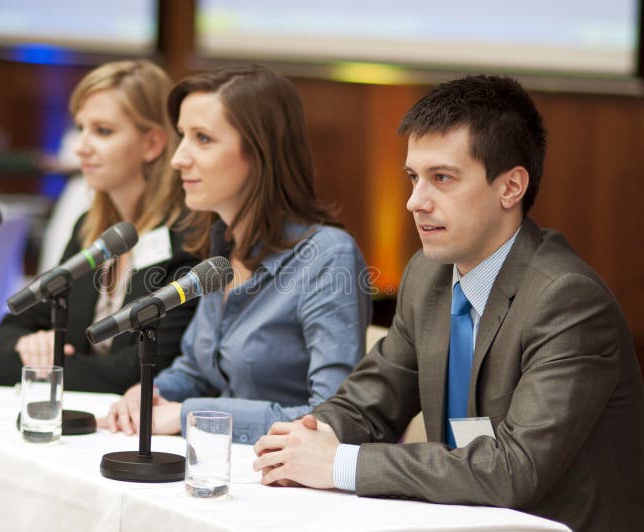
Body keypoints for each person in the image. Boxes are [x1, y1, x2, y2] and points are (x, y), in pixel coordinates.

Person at [253, 75, 644, 531]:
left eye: (442, 178)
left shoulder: (568, 300)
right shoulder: (428, 275)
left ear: (511, 187)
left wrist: (341, 465)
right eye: (414, 178)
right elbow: (368, 403)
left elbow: (513, 470)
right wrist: (308, 440)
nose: (415, 201)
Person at [98, 65, 373, 444]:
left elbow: (331, 417)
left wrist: (189, 415)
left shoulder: (327, 256)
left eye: (203, 139)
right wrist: (150, 393)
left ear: (260, 151)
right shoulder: (220, 249)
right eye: (182, 137)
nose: (178, 158)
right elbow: (195, 369)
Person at [0, 60, 199, 392]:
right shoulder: (91, 228)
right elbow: (17, 321)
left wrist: (2, 367)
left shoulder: (188, 239)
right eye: (81, 128)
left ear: (152, 144)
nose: (81, 147)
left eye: (103, 131)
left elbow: (135, 369)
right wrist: (32, 345)